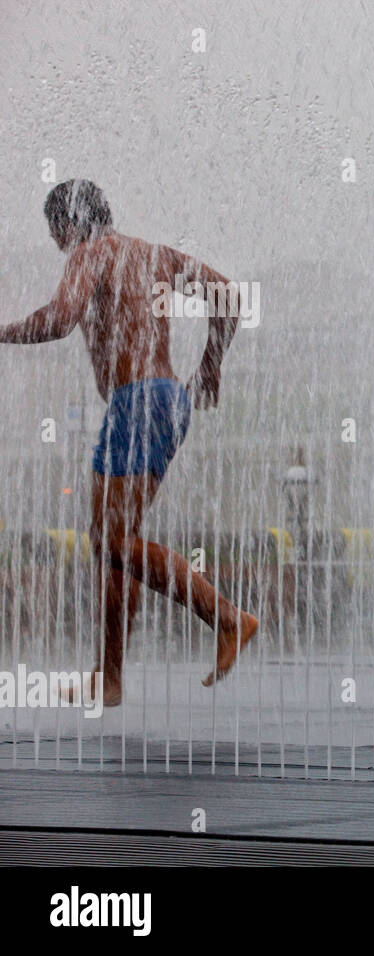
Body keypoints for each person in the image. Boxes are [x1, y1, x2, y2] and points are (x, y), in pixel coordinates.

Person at [0, 180, 258, 706]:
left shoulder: (91, 254)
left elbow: (60, 317)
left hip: (138, 404)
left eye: (56, 235)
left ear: (66, 225)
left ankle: (228, 619)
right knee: (117, 544)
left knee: (113, 543)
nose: (58, 246)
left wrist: (2, 332)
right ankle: (109, 679)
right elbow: (229, 298)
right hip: (161, 401)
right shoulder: (155, 255)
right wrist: (210, 363)